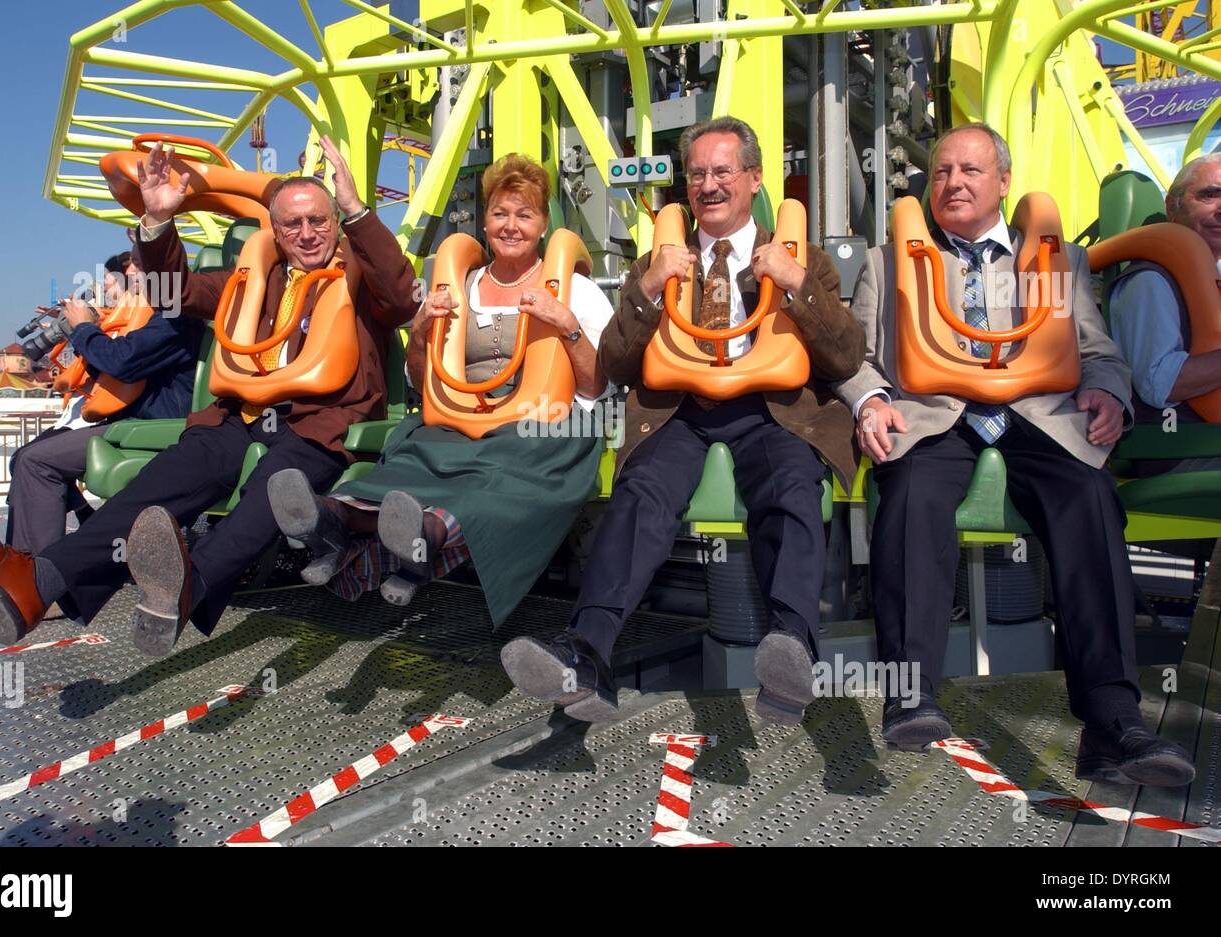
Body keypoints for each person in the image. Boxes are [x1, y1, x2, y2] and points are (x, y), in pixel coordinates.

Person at [0, 136, 418, 657]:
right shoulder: (253, 277)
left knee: (274, 486)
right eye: (292, 224)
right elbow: (178, 292)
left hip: (320, 422)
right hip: (241, 416)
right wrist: (157, 222)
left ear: (333, 224)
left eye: (319, 221)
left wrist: (355, 209)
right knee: (160, 483)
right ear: (277, 231)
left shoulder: (362, 277)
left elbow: (401, 296)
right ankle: (36, 584)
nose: (306, 234)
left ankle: (190, 585)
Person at [838, 123, 1193, 785]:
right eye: (942, 172)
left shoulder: (1058, 263)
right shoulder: (890, 265)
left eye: (971, 171)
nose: (954, 183)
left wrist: (1109, 394)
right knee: (912, 495)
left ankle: (1114, 722)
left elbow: (1099, 354)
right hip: (936, 414)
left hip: (1035, 416)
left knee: (1089, 498)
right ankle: (911, 692)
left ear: (1003, 182)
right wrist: (871, 401)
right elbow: (855, 359)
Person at [501, 116, 864, 724]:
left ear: (753, 179)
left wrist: (797, 283)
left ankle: (791, 649)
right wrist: (646, 289)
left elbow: (846, 354)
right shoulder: (658, 262)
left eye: (723, 171)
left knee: (793, 485)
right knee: (640, 496)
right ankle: (586, 655)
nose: (709, 185)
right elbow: (616, 366)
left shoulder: (806, 258)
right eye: (697, 174)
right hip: (681, 411)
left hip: (772, 410)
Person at [268, 153, 613, 624]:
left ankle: (407, 532)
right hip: (461, 419)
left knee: (503, 469)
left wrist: (567, 325)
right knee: (413, 448)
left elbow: (597, 387)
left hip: (540, 425)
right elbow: (417, 378)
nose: (511, 226)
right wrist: (425, 334)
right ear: (485, 220)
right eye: (499, 213)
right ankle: (340, 518)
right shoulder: (460, 285)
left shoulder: (575, 290)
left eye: (524, 215)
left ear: (543, 223)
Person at [5, 251, 203, 555]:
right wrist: (79, 331)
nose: (131, 270)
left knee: (35, 462)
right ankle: (18, 563)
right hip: (136, 424)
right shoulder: (160, 314)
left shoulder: (177, 317)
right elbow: (113, 367)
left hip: (157, 429)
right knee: (28, 458)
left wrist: (85, 328)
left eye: (138, 263)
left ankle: (36, 572)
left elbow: (122, 360)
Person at [1108, 154, 1221, 472]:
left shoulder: (1211, 281)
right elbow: (1161, 384)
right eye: (1209, 194)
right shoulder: (1150, 280)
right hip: (1172, 451)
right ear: (1172, 206)